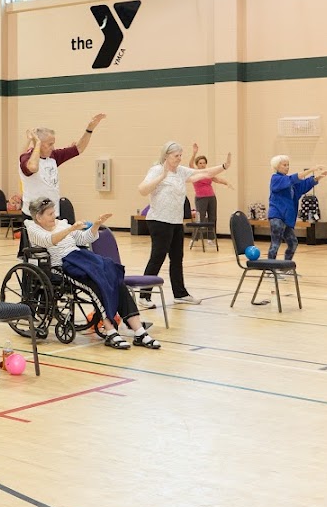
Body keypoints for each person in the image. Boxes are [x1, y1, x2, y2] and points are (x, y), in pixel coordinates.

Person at [22, 198, 159, 349]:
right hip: (62, 265)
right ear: (38, 217)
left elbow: (83, 238)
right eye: (50, 214)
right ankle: (110, 331)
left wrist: (96, 225)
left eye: (54, 212)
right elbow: (49, 240)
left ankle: (139, 332)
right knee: (97, 283)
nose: (54, 216)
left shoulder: (61, 223)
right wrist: (70, 229)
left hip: (81, 257)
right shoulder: (33, 229)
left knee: (116, 279)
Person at [137, 142, 231, 306]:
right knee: (157, 257)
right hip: (158, 220)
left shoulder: (181, 172)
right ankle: (144, 296)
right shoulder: (157, 170)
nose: (179, 159)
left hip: (175, 220)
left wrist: (223, 166)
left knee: (177, 257)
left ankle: (180, 294)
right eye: (176, 156)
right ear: (166, 155)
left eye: (181, 155)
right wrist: (161, 177)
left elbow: (203, 173)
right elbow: (143, 190)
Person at [19, 114, 107, 216]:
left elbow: (79, 148)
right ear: (39, 143)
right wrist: (37, 143)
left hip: (52, 213)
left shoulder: (53, 156)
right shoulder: (26, 158)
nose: (53, 147)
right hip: (34, 215)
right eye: (50, 144)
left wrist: (90, 129)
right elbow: (33, 167)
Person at [267, 156, 327, 261]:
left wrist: (318, 177)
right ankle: (269, 269)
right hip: (277, 216)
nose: (287, 167)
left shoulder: (289, 183)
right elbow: (293, 178)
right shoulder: (276, 179)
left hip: (286, 217)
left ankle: (286, 267)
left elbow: (302, 185)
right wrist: (312, 169)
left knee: (293, 243)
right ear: (277, 167)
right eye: (284, 165)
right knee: (276, 243)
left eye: (288, 165)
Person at [190, 151, 233, 231]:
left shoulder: (208, 173)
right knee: (200, 217)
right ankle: (196, 238)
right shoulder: (194, 173)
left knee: (212, 217)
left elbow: (217, 179)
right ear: (197, 164)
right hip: (201, 198)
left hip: (211, 197)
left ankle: (211, 238)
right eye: (200, 163)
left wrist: (227, 183)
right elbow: (190, 165)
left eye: (204, 163)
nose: (202, 165)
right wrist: (194, 153)